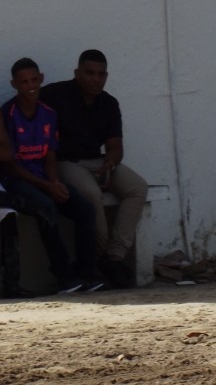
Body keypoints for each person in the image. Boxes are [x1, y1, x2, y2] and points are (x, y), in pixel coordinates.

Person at [41, 50, 147, 289]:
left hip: (98, 161)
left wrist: (109, 164)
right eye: (89, 73)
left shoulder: (109, 103)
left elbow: (115, 146)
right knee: (91, 194)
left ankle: (114, 256)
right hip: (66, 162)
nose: (95, 79)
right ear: (77, 73)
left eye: (100, 74)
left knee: (138, 187)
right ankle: (97, 258)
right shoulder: (55, 95)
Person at [1, 58, 104, 294]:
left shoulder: (48, 113)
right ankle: (64, 278)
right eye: (24, 82)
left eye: (34, 80)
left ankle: (85, 275)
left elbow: (50, 154)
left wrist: (55, 181)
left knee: (84, 208)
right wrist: (47, 186)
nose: (30, 86)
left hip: (44, 180)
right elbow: (10, 164)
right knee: (46, 207)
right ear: (14, 84)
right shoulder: (7, 113)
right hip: (18, 180)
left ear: (42, 79)